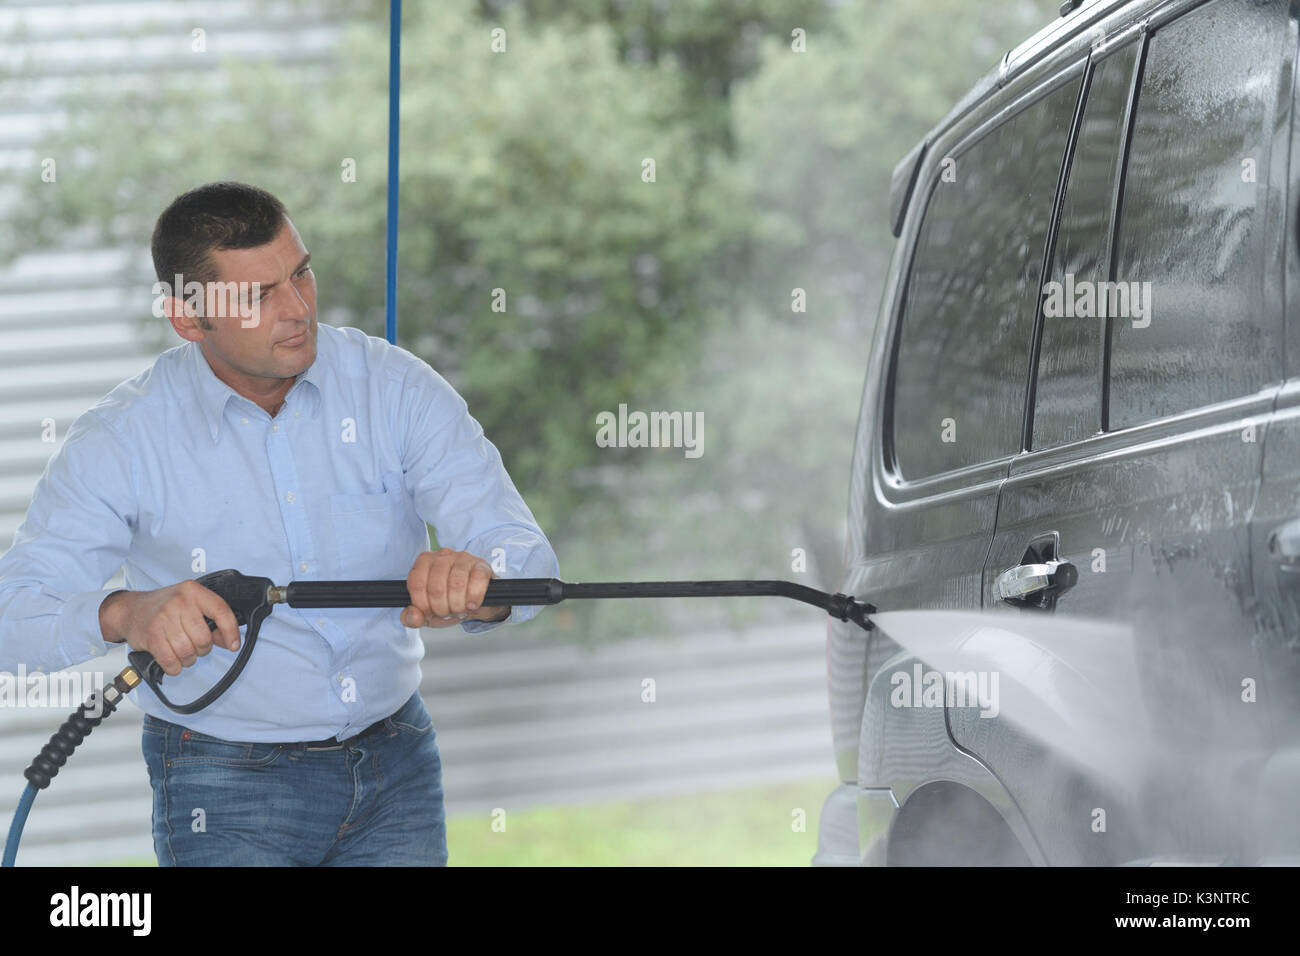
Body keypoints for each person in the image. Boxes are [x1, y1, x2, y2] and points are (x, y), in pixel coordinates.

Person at [0, 181, 559, 865]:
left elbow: (527, 561)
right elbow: (13, 620)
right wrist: (126, 613)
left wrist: (483, 578)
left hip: (398, 764)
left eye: (300, 274)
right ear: (187, 319)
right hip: (221, 783)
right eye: (258, 296)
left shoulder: (396, 388)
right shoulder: (121, 440)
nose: (297, 310)